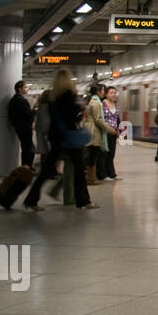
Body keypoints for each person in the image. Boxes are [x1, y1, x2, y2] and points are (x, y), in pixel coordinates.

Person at [23, 69, 98, 211]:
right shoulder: (69, 96)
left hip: (57, 137)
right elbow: (72, 117)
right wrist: (81, 109)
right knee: (79, 170)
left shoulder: (53, 97)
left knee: (46, 171)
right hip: (70, 137)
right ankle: (84, 201)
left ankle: (31, 200)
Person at [85, 83, 109, 185]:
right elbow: (98, 120)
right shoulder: (96, 103)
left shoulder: (93, 101)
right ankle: (92, 179)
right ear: (98, 92)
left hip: (91, 130)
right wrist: (109, 129)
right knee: (92, 156)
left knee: (92, 155)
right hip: (94, 131)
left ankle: (91, 177)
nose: (104, 92)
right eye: (103, 90)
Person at [7, 81, 35, 167]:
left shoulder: (14, 100)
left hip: (20, 127)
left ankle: (25, 168)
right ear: (19, 89)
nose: (27, 89)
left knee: (26, 148)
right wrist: (34, 111)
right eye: (26, 87)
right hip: (25, 128)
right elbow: (26, 114)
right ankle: (26, 168)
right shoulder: (21, 100)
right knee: (29, 149)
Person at [99, 86, 122, 180]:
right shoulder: (102, 104)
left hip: (114, 133)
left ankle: (112, 173)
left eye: (114, 93)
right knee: (105, 153)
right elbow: (101, 119)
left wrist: (118, 131)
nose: (113, 94)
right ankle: (103, 174)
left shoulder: (116, 104)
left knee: (112, 153)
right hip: (105, 131)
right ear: (106, 94)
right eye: (111, 93)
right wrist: (109, 129)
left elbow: (117, 118)